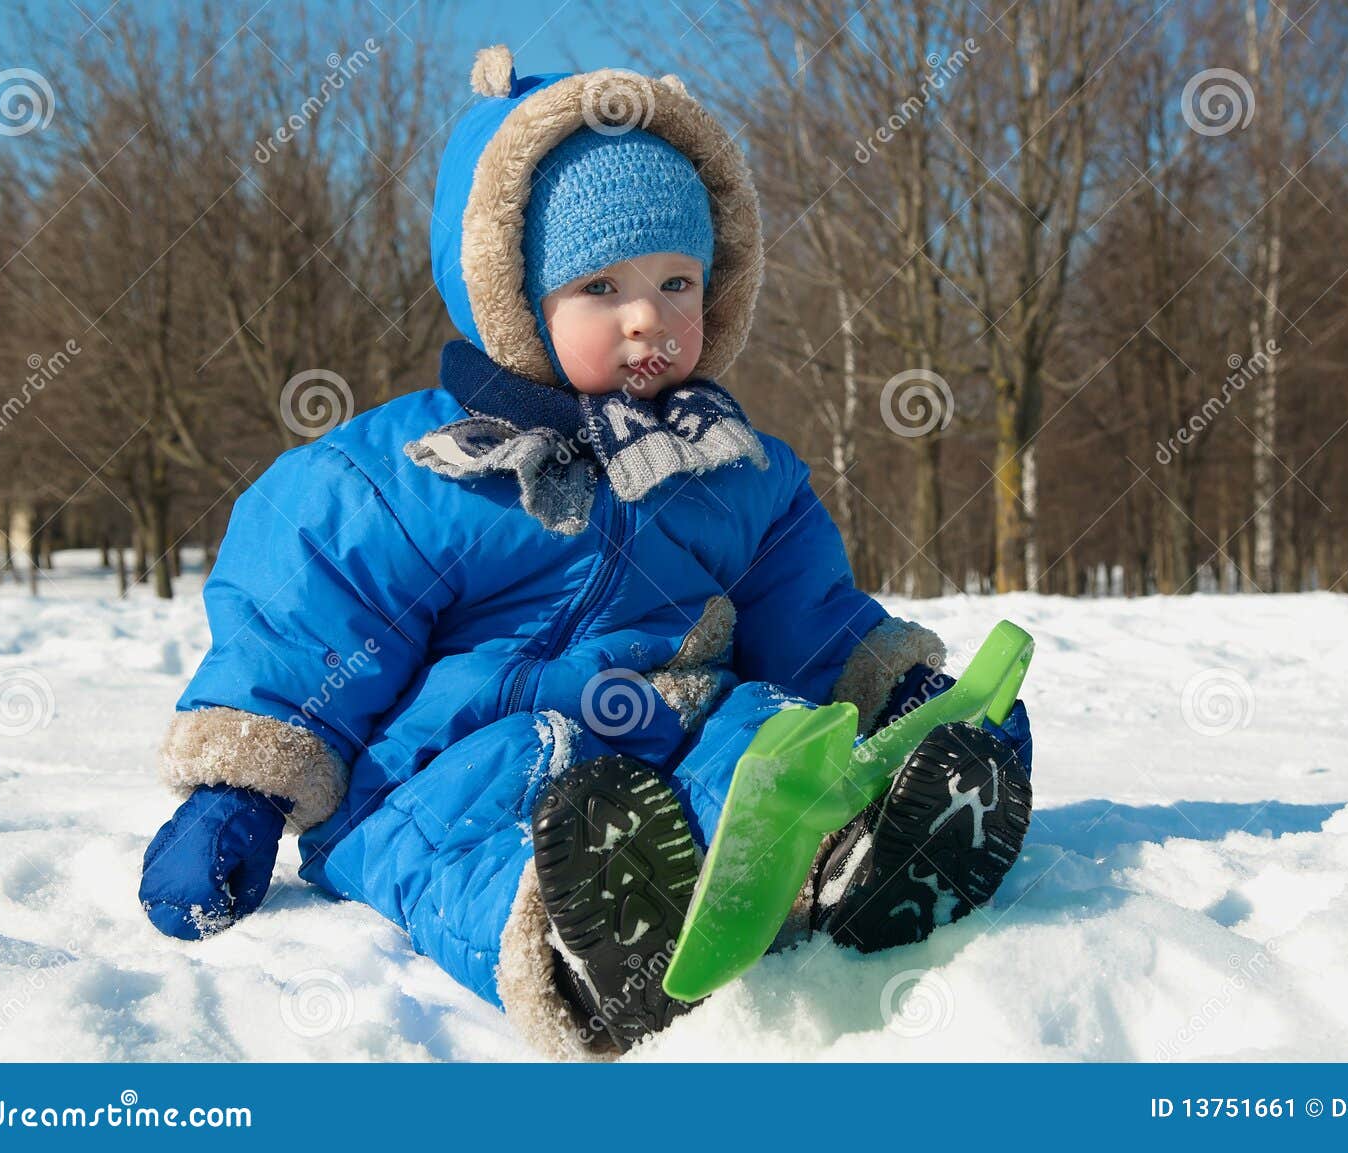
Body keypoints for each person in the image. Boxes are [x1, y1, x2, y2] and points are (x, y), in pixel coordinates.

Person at [137, 45, 1034, 1060]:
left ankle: (859, 854)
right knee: (502, 790)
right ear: (512, 293)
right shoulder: (406, 476)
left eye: (677, 281)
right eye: (601, 284)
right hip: (447, 769)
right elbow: (306, 618)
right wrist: (240, 795)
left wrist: (897, 698)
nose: (648, 316)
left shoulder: (736, 474)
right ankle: (572, 939)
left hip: (665, 743)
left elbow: (807, 618)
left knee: (767, 729)